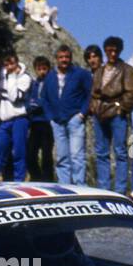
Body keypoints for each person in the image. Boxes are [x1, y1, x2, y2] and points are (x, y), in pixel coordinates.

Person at [88, 36, 133, 193]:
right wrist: (94, 107)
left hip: (117, 114)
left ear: (120, 51)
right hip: (100, 113)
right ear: (105, 51)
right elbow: (94, 92)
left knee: (121, 153)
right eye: (109, 50)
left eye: (115, 50)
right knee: (102, 153)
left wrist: (122, 108)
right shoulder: (100, 71)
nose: (112, 53)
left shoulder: (127, 70)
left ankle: (120, 190)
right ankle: (104, 189)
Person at [40, 44, 92, 185]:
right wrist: (50, 118)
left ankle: (80, 186)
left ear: (71, 58)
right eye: (61, 57)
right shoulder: (50, 77)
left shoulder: (81, 74)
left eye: (67, 57)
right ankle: (65, 187)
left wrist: (82, 114)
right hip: (57, 122)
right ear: (56, 59)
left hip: (75, 119)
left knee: (77, 156)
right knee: (62, 157)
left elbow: (90, 94)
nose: (64, 60)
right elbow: (43, 98)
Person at [0, 52, 31, 182]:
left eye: (11, 63)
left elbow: (14, 96)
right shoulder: (4, 77)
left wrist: (11, 77)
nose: (9, 67)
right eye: (6, 64)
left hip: (20, 119)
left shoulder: (25, 78)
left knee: (18, 152)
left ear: (17, 63)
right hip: (5, 121)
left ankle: (19, 180)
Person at [25, 56, 55, 182]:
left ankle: (48, 179)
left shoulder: (52, 82)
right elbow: (28, 101)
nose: (42, 71)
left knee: (46, 154)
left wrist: (37, 103)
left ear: (48, 69)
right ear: (35, 70)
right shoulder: (34, 84)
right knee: (30, 154)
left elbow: (47, 100)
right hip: (35, 123)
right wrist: (31, 106)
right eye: (39, 69)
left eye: (44, 69)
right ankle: (36, 178)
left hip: (47, 122)